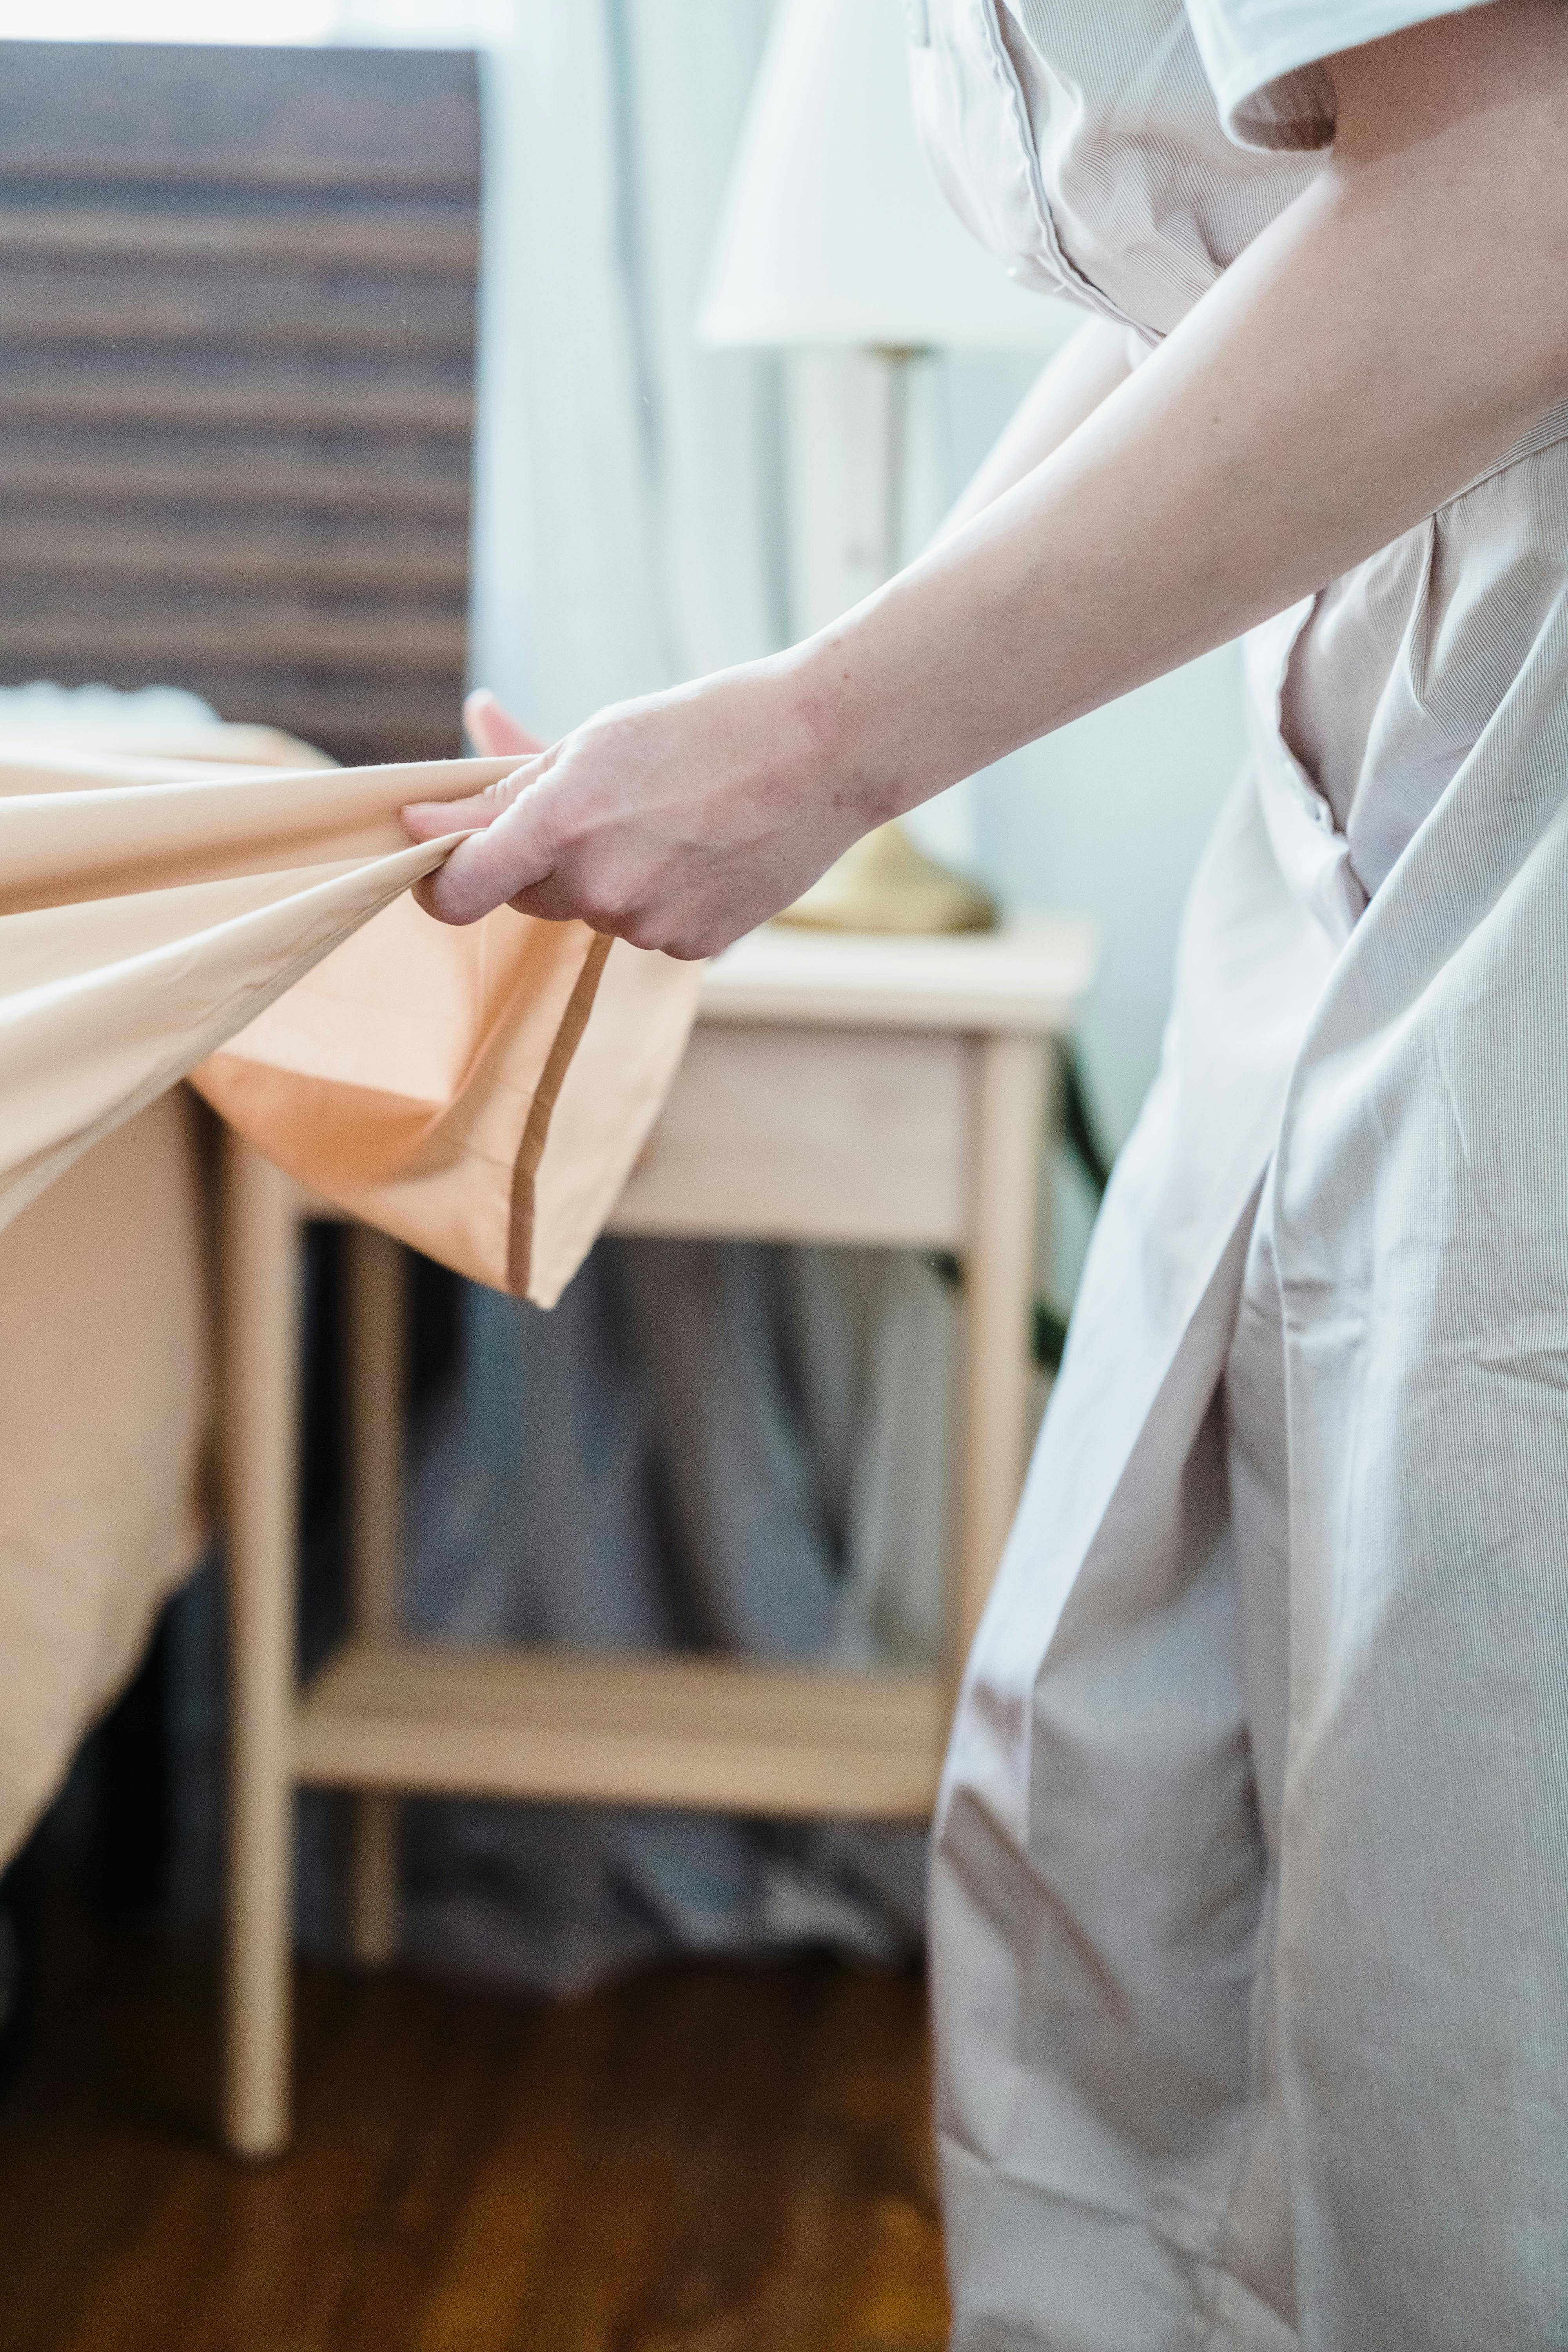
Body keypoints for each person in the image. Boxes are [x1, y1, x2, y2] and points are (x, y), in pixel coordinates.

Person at [406, 2, 1568, 2341]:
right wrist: (792, 704)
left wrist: (823, 747)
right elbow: (1225, 288)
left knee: (1474, 1945)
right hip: (1378, 751)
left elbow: (1525, 185)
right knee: (1128, 1813)